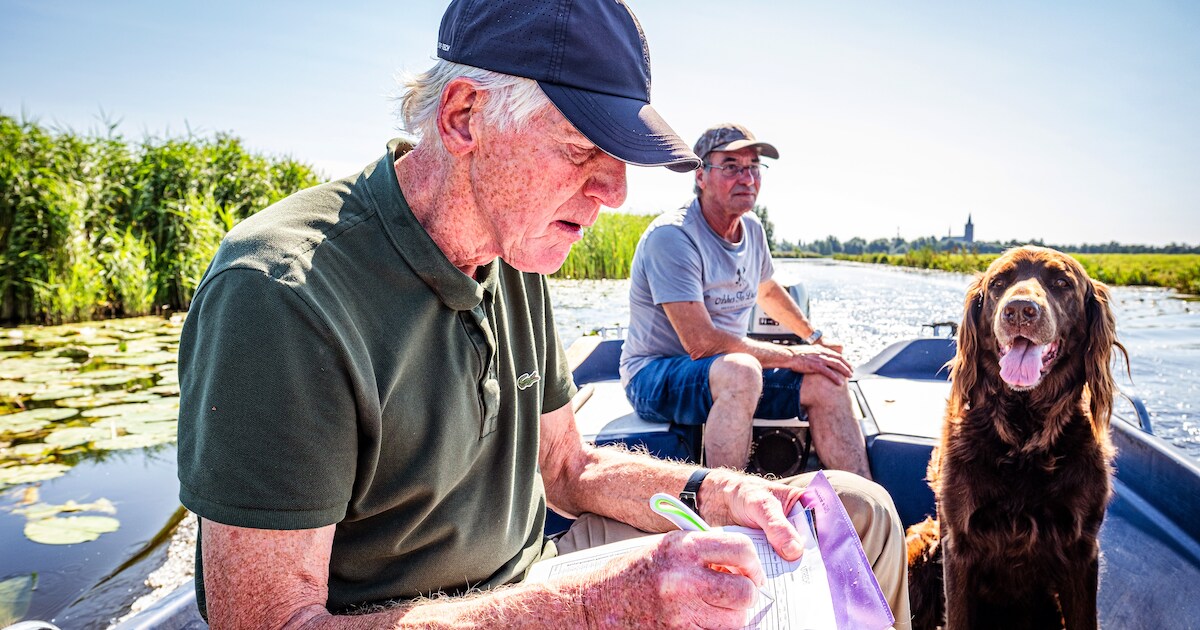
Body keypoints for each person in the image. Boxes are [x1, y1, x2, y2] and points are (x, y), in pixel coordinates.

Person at [176, 2, 910, 628]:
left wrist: (714, 491)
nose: (617, 192)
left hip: (531, 579)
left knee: (854, 513)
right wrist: (599, 609)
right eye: (582, 148)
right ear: (465, 116)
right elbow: (272, 623)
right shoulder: (280, 293)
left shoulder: (514, 249)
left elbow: (570, 468)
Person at [620, 123, 873, 477]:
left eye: (753, 167)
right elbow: (702, 344)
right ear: (700, 175)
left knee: (828, 378)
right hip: (654, 377)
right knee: (742, 371)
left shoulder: (752, 229)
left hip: (728, 371)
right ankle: (726, 516)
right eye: (731, 166)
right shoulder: (672, 237)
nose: (747, 178)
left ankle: (863, 513)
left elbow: (767, 291)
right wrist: (794, 356)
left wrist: (815, 340)